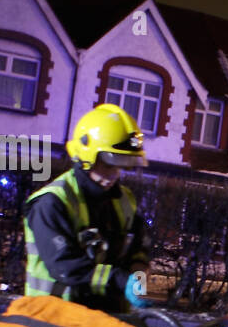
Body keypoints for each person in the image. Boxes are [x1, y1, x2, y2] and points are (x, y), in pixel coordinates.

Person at [24, 104, 149, 313]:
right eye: (109, 165)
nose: (114, 175)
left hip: (107, 316)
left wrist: (138, 276)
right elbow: (65, 265)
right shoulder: (52, 202)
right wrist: (118, 279)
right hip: (54, 321)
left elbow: (140, 247)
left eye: (121, 166)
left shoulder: (124, 199)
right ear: (86, 157)